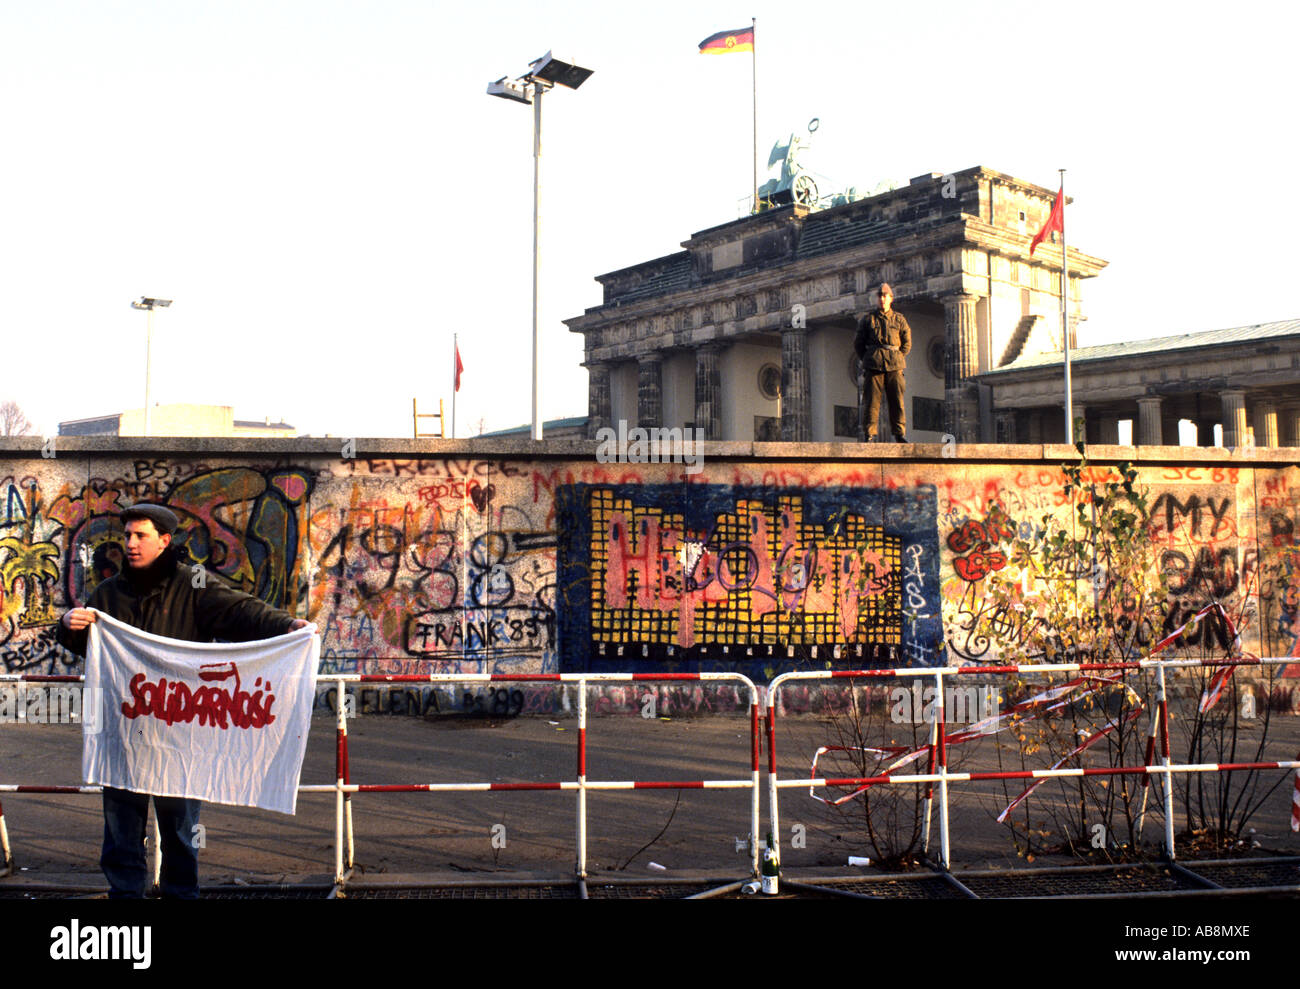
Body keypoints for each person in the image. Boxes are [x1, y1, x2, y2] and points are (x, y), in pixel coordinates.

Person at [57, 502, 308, 899]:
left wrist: (286, 625)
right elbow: (88, 645)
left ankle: (180, 893)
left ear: (164, 540)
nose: (131, 544)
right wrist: (68, 626)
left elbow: (240, 610)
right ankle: (125, 895)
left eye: (140, 536)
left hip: (179, 734)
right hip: (122, 731)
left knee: (180, 828)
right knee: (121, 827)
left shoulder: (193, 583)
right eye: (127, 536)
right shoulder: (108, 593)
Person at [854, 282, 912, 442]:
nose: (882, 299)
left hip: (895, 364)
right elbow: (858, 344)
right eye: (880, 296)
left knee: (897, 400)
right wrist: (869, 357)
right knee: (872, 401)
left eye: (885, 296)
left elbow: (907, 343)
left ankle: (899, 433)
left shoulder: (899, 319)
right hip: (874, 364)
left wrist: (898, 356)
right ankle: (869, 433)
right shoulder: (868, 319)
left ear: (891, 298)